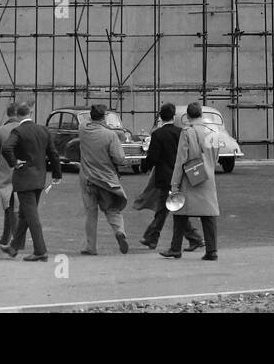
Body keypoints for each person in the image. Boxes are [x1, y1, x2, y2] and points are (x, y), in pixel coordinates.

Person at [0, 102, 62, 262]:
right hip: (40, 178)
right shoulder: (43, 130)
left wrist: (14, 162)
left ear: (17, 115)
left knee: (31, 216)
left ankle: (40, 251)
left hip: (24, 178)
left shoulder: (18, 131)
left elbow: (6, 148)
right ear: (30, 113)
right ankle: (14, 247)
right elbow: (53, 153)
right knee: (25, 214)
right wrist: (57, 174)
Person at [138, 103, 203, 251]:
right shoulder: (181, 132)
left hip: (164, 176)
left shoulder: (157, 134)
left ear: (160, 117)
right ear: (174, 117)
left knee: (165, 208)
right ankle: (193, 238)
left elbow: (153, 157)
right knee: (172, 208)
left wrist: (144, 167)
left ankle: (152, 237)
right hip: (181, 175)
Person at [161, 101, 219, 261]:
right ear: (201, 114)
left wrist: (174, 184)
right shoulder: (212, 131)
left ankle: (175, 248)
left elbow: (181, 160)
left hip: (190, 177)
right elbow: (216, 157)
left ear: (187, 115)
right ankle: (212, 250)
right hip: (207, 176)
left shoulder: (187, 132)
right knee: (209, 214)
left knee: (180, 212)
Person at [76, 105, 130, 255]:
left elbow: (85, 121)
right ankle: (119, 232)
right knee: (112, 209)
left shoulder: (83, 129)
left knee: (91, 213)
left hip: (87, 178)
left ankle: (91, 247)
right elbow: (119, 159)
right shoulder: (110, 135)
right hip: (106, 179)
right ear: (105, 116)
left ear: (91, 116)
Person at [0, 103, 21, 247]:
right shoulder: (28, 129)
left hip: (6, 173)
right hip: (25, 172)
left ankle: (16, 239)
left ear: (8, 114)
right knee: (14, 207)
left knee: (10, 206)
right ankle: (6, 236)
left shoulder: (0, 131)